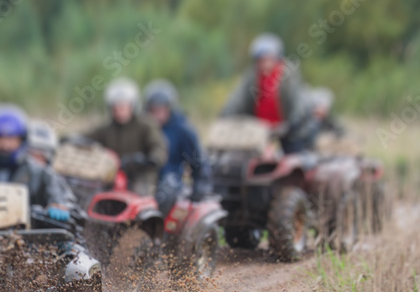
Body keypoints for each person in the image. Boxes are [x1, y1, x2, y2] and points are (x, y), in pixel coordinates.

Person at [143, 79, 213, 216]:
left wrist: (201, 184)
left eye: (161, 110)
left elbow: (198, 159)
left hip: (171, 178)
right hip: (145, 175)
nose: (157, 115)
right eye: (153, 110)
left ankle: (158, 227)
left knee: (166, 190)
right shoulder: (142, 128)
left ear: (169, 108)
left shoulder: (182, 129)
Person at [86, 78, 167, 195]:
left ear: (132, 105)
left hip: (142, 174)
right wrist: (69, 139)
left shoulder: (146, 124)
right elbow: (87, 137)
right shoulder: (106, 128)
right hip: (112, 174)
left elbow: (159, 146)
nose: (119, 111)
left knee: (140, 196)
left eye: (123, 106)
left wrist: (150, 159)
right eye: (116, 107)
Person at [219, 33, 305, 136]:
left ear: (277, 59)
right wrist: (225, 116)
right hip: (258, 130)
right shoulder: (252, 76)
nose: (264, 64)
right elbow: (237, 99)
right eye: (261, 60)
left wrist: (293, 124)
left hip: (286, 129)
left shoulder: (288, 76)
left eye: (268, 59)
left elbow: (298, 100)